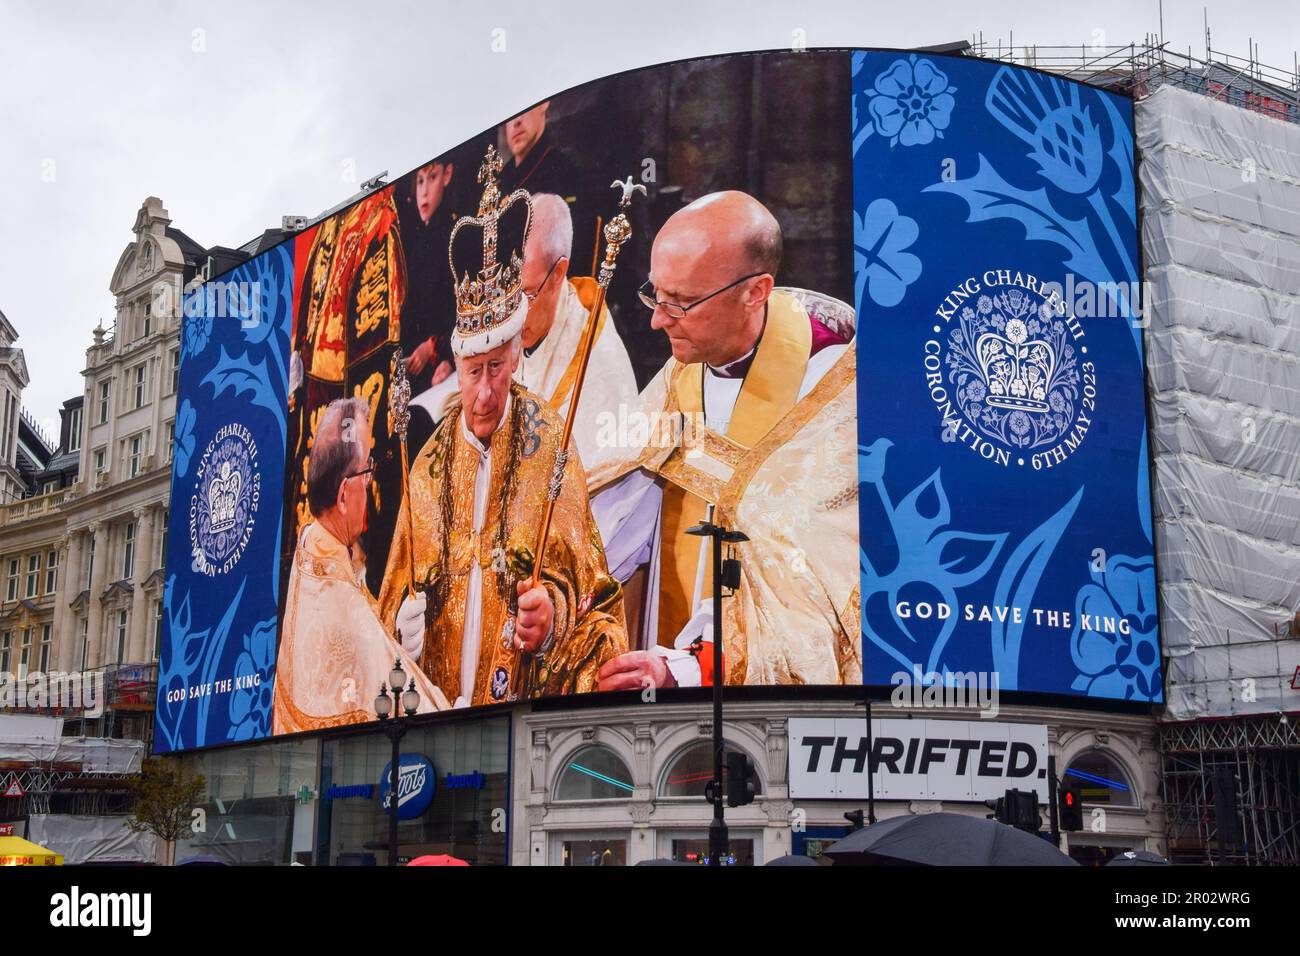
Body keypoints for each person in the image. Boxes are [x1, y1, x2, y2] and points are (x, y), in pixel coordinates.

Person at [377, 146, 628, 707]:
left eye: (496, 368)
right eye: (472, 372)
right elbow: (394, 592)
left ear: (517, 356)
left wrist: (554, 615)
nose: (484, 391)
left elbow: (596, 600)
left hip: (519, 718)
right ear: (457, 367)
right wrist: (401, 629)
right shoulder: (427, 468)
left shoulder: (550, 447)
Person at [589, 191, 861, 690]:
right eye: (656, 294)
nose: (656, 319)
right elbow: (607, 522)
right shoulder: (678, 378)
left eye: (681, 302)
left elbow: (808, 583)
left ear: (755, 292)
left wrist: (692, 668)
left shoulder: (836, 395)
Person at [274, 398, 447, 734]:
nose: (371, 483)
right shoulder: (334, 592)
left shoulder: (314, 547)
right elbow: (410, 706)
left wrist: (397, 639)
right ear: (342, 495)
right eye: (368, 470)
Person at [515, 193, 638, 471]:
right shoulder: (514, 319)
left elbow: (602, 481)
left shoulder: (598, 364)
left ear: (559, 272)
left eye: (527, 294)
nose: (516, 313)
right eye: (510, 296)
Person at [498, 102, 598, 275]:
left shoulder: (567, 175)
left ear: (544, 104)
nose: (516, 122)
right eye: (509, 115)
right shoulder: (500, 181)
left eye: (524, 107)